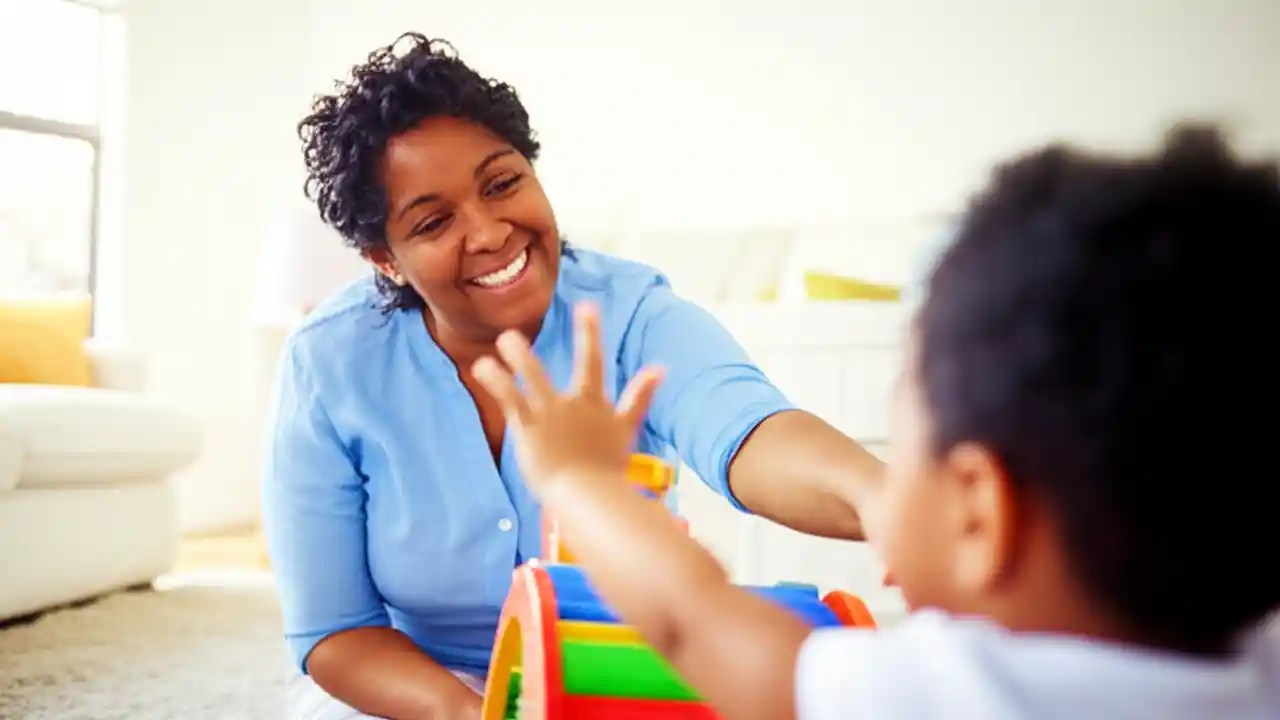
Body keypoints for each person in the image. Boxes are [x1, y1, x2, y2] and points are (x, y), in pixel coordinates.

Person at [471, 124, 1280, 720]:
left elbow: (691, 620)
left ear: (980, 511)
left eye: (906, 430)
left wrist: (577, 481)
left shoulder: (944, 697)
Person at [261, 32, 884, 720]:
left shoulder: (633, 313)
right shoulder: (330, 363)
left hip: (619, 665)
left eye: (503, 184)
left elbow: (750, 433)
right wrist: (477, 712)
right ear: (386, 257)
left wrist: (879, 497)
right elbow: (335, 633)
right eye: (435, 221)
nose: (491, 232)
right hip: (418, 691)